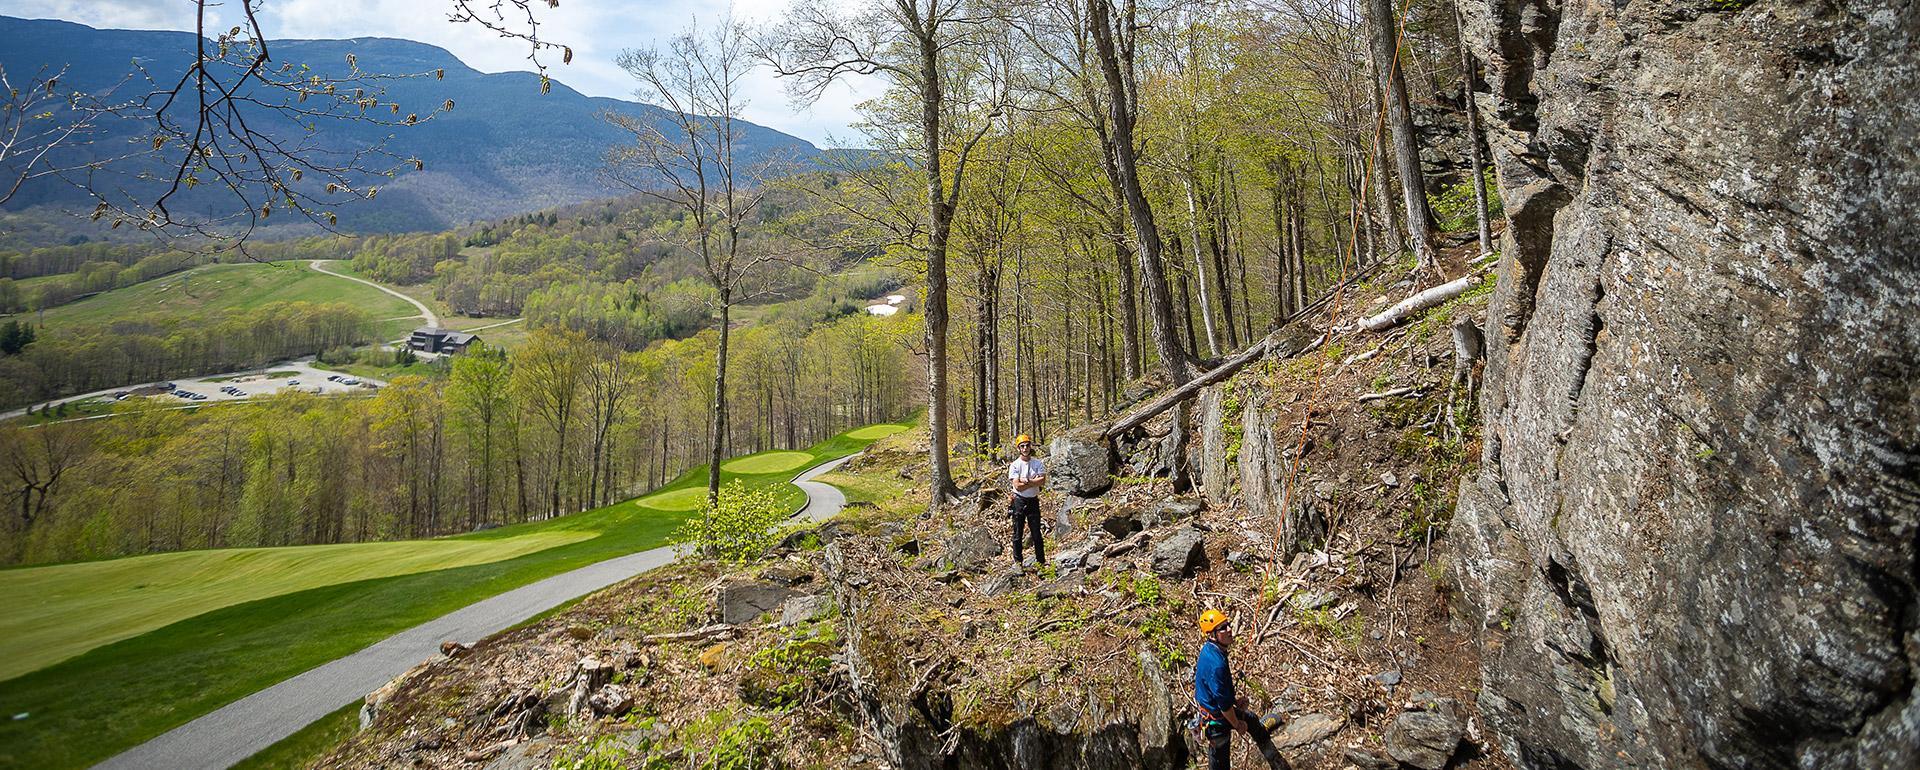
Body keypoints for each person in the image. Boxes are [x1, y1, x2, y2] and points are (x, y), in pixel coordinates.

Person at [1194, 609, 1288, 770]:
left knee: (1251, 719)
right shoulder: (1217, 664)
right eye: (1222, 628)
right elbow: (1224, 707)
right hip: (1215, 720)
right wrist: (1237, 725)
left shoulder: (1210, 649)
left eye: (1228, 625)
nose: (1229, 629)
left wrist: (1234, 701)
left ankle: (1261, 735)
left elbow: (1218, 691)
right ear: (1212, 635)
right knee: (1220, 761)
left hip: (1214, 709)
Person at [1007, 434, 1046, 570]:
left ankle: (1041, 563)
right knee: (1018, 533)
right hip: (1019, 501)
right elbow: (1017, 486)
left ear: (1030, 446)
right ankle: (1018, 563)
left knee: (1036, 534)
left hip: (1033, 501)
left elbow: (1042, 481)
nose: (1025, 448)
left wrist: (1027, 481)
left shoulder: (1037, 463)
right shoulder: (1015, 465)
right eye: (1022, 446)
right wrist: (1034, 481)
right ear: (1018, 448)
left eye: (1027, 445)